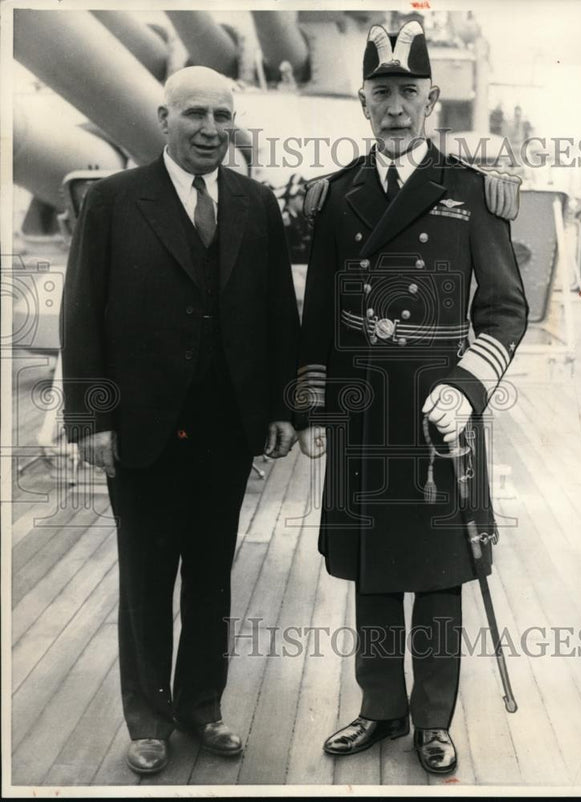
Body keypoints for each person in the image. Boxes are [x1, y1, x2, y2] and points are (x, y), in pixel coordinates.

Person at [296, 20, 527, 776]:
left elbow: (503, 309)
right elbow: (320, 319)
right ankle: (379, 707)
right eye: (381, 93)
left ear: (432, 102)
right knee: (371, 568)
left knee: (437, 572)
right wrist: (315, 404)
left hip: (440, 417)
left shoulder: (469, 193)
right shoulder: (335, 198)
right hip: (365, 413)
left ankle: (432, 718)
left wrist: (467, 387)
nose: (396, 108)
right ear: (363, 105)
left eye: (409, 93)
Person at [60, 66, 299, 775]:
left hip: (226, 429)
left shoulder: (256, 204)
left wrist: (285, 407)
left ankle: (202, 705)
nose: (211, 130)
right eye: (196, 114)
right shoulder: (112, 201)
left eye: (224, 116)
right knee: (144, 575)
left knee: (212, 577)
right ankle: (148, 719)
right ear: (164, 119)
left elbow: (278, 316)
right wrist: (92, 418)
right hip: (141, 427)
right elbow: (82, 314)